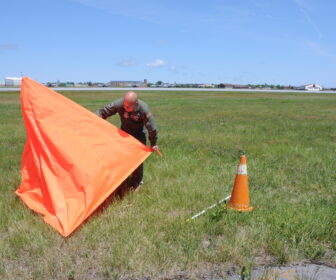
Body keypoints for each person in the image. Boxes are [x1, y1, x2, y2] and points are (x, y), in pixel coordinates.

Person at [96, 91, 158, 191]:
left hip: (138, 135)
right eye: (124, 105)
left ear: (136, 104)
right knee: (121, 157)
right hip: (124, 134)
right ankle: (121, 179)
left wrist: (153, 143)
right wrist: (91, 118)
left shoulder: (143, 109)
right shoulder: (120, 103)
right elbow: (103, 112)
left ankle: (137, 182)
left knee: (137, 160)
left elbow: (152, 128)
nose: (125, 108)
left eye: (128, 107)